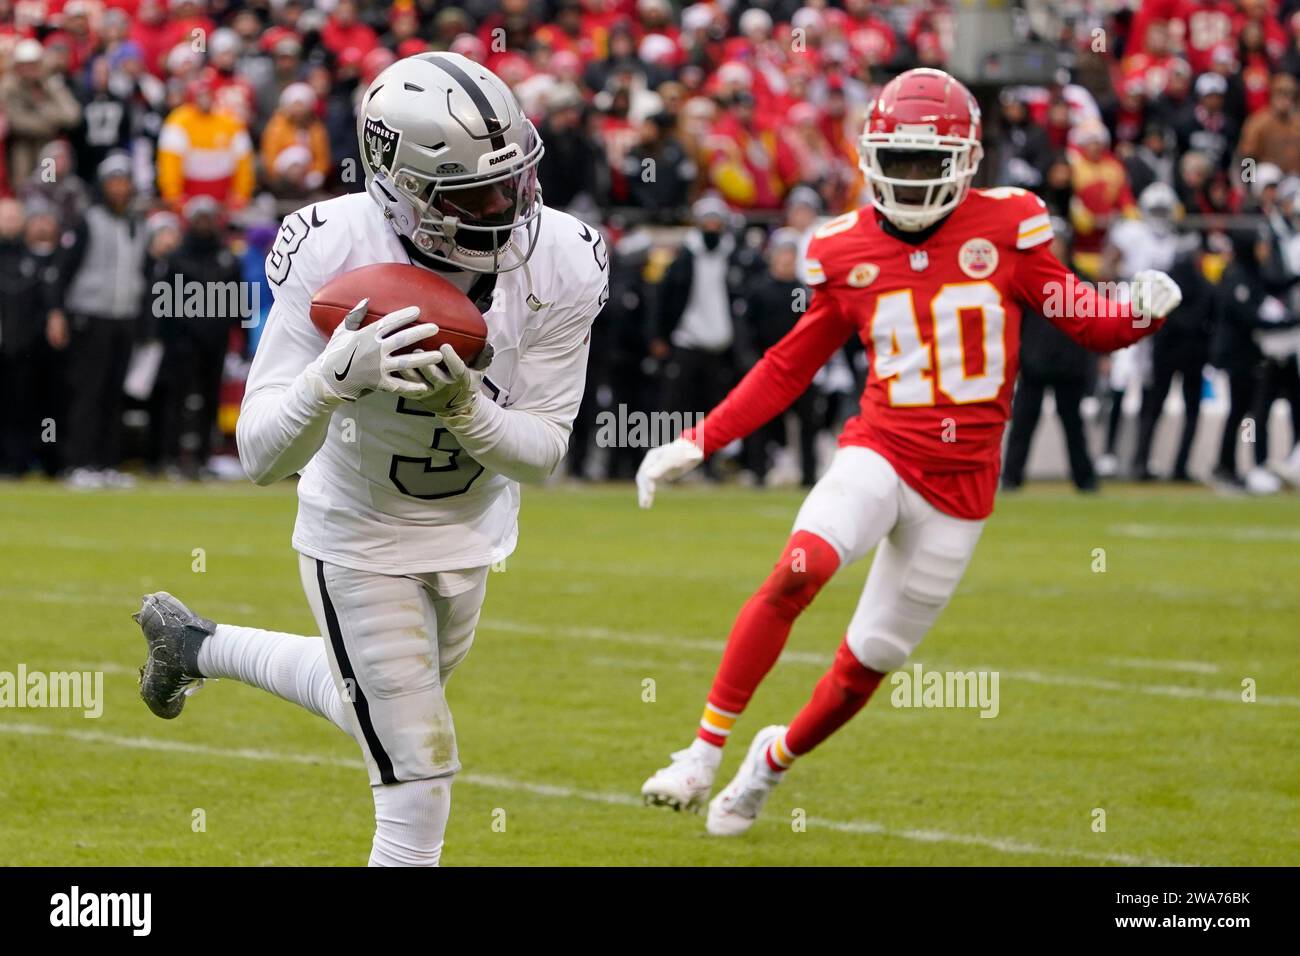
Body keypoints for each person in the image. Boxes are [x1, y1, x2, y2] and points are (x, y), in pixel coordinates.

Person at [634, 69, 1181, 836]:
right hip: (880, 451)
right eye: (901, 159)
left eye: (929, 161)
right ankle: (700, 750)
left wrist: (1138, 314)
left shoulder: (1010, 228)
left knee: (865, 668)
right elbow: (788, 365)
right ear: (870, 157)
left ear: (965, 161)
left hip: (960, 490)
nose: (913, 176)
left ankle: (770, 761)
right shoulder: (844, 246)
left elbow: (1084, 318)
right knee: (800, 571)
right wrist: (698, 437)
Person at [130, 53, 608, 867]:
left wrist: (463, 406)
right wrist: (327, 382)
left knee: (368, 705)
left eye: (515, 183)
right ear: (400, 186)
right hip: (357, 532)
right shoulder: (329, 243)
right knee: (416, 773)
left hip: (476, 528)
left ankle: (196, 648)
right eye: (474, 194)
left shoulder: (565, 257)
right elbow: (257, 450)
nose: (507, 209)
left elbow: (543, 455)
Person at [60, 152, 149, 489]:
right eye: (114, 181)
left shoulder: (137, 224)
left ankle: (107, 463)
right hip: (91, 316)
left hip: (123, 317)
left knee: (115, 394)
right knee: (88, 392)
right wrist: (58, 313)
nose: (120, 187)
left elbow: (141, 275)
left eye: (125, 181)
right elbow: (65, 269)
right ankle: (78, 462)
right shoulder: (88, 221)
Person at [1001, 221, 1098, 492]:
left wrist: (1089, 361)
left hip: (1069, 366)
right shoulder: (1028, 279)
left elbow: (1093, 324)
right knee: (1022, 426)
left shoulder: (1082, 282)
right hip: (1033, 365)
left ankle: (1085, 480)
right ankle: (1011, 478)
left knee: (1073, 428)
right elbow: (1014, 323)